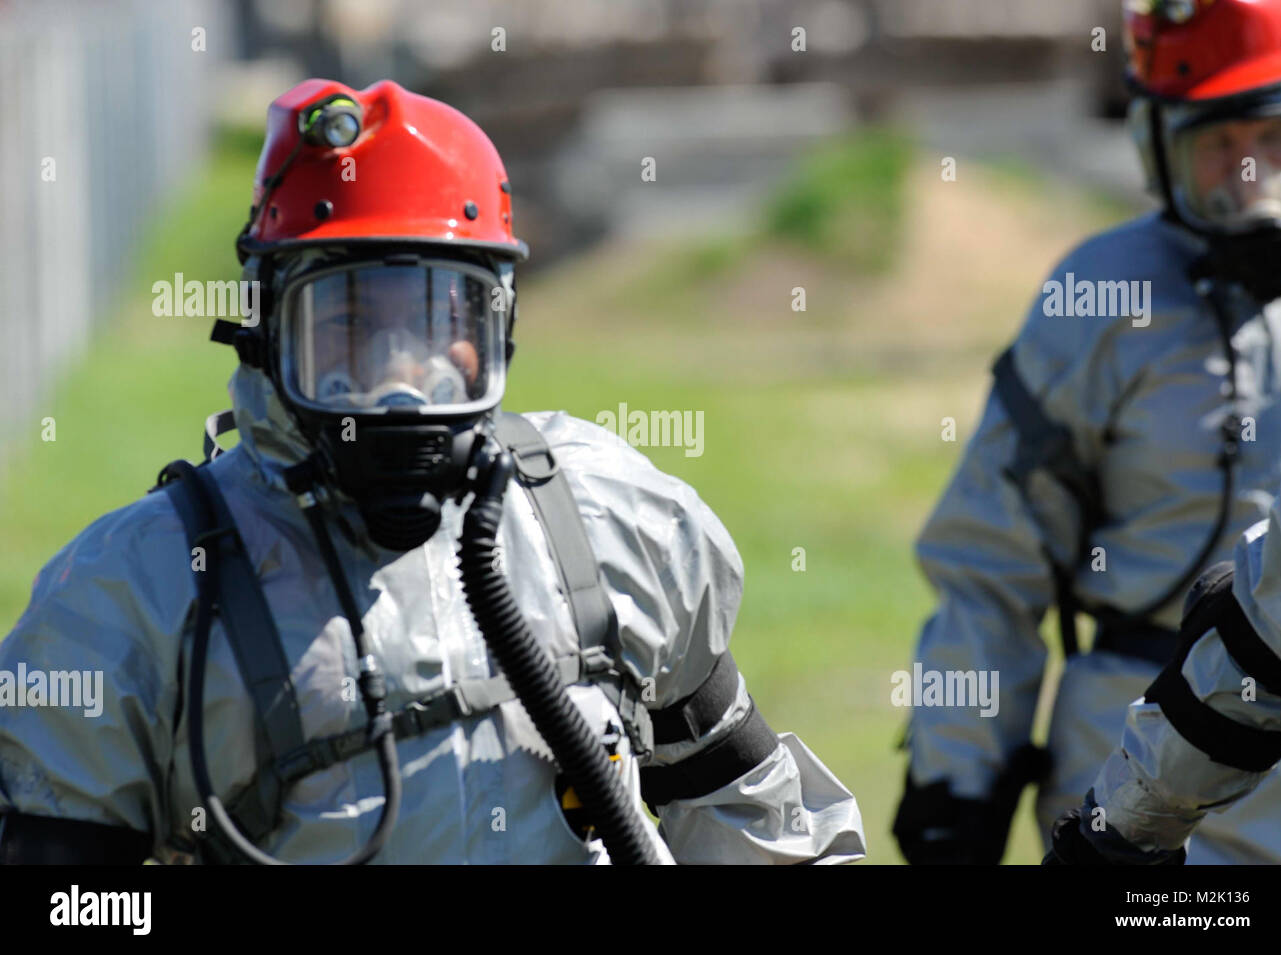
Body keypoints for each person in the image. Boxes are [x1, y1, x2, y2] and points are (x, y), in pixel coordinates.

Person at [0, 79, 865, 865]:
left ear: (500, 332)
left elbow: (753, 816)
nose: (399, 380)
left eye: (436, 319)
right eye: (346, 327)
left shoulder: (605, 522)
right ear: (268, 334)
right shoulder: (131, 602)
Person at [893, 0, 1281, 865]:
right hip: (1127, 774)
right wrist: (954, 784)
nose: (1253, 176)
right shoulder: (1098, 301)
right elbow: (989, 568)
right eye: (1217, 148)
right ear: (1158, 149)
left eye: (1278, 135)